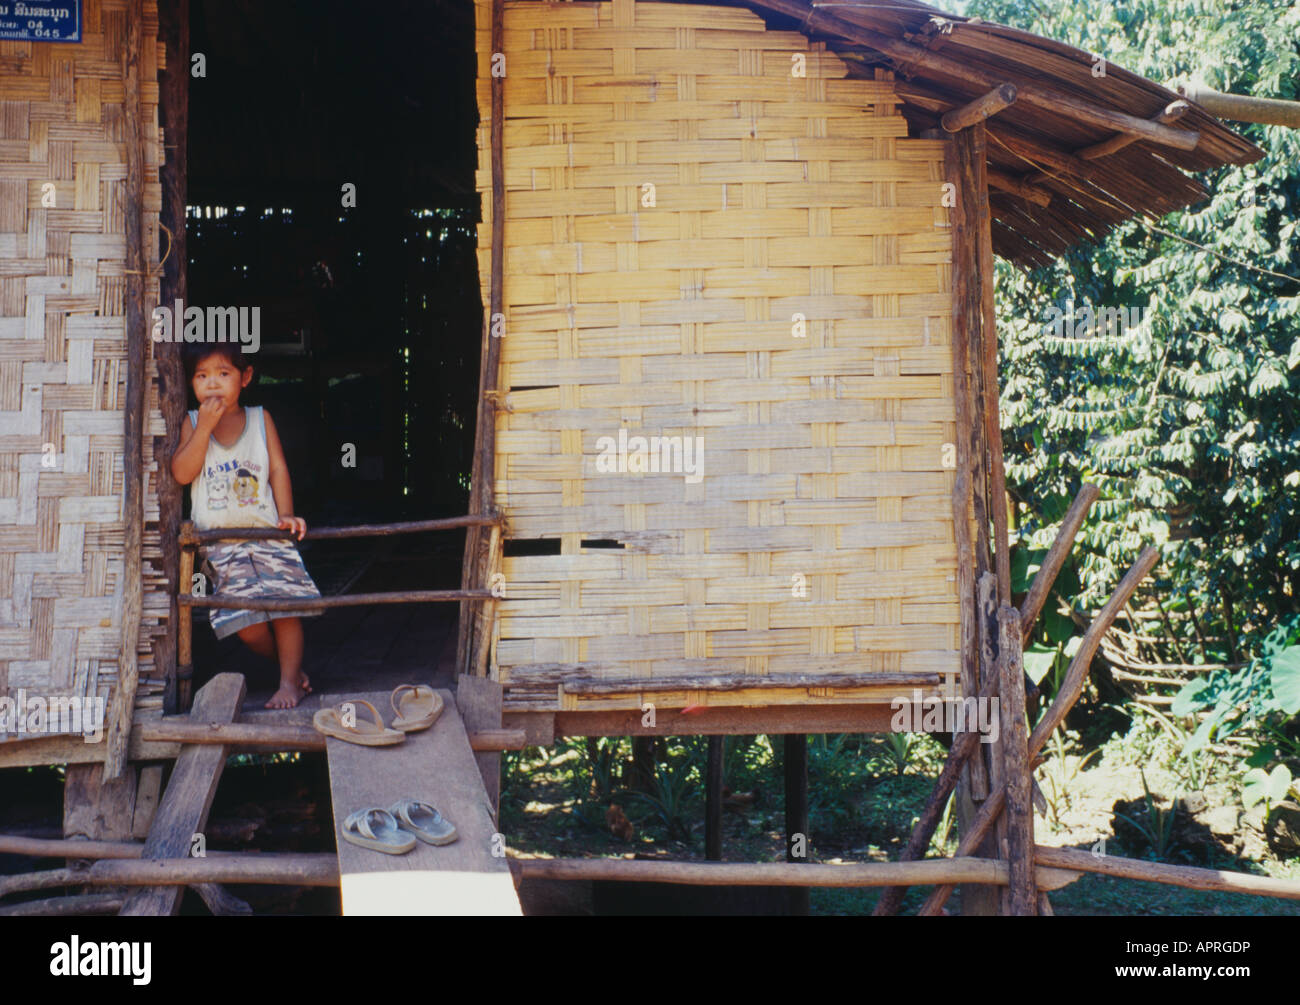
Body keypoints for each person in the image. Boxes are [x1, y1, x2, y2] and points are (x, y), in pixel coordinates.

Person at [171, 344, 320, 708]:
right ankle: (287, 665)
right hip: (221, 544)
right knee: (249, 626)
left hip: (268, 534)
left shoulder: (259, 419)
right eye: (202, 376)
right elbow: (181, 472)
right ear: (191, 383)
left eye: (223, 374)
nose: (213, 385)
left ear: (246, 377)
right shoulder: (191, 422)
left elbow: (278, 469)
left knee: (285, 611)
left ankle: (287, 683)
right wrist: (204, 428)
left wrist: (286, 514)